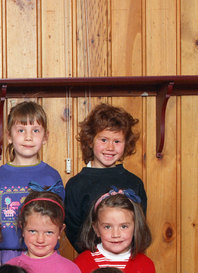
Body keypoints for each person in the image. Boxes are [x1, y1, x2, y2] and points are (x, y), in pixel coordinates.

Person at [63, 103, 148, 253]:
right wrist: (95, 256)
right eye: (103, 140)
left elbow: (139, 225)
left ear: (126, 143)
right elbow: (73, 230)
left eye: (117, 141)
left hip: (127, 260)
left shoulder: (134, 183)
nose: (110, 147)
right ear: (90, 140)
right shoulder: (76, 185)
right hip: (92, 262)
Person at [0, 101, 65, 263]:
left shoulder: (51, 176)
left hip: (44, 253)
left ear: (45, 137)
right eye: (21, 130)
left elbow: (59, 218)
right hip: (5, 254)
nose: (28, 137)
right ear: (9, 136)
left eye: (35, 130)